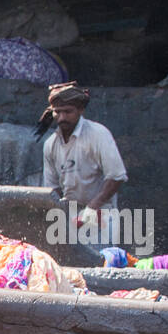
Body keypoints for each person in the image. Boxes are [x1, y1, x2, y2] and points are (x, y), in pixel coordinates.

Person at [39, 81, 128, 248]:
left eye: (68, 112)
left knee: (99, 267)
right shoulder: (50, 144)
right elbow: (52, 189)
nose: (62, 117)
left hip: (101, 214)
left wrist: (90, 210)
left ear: (80, 110)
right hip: (70, 217)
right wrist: (61, 217)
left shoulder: (98, 134)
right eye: (58, 112)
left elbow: (117, 177)